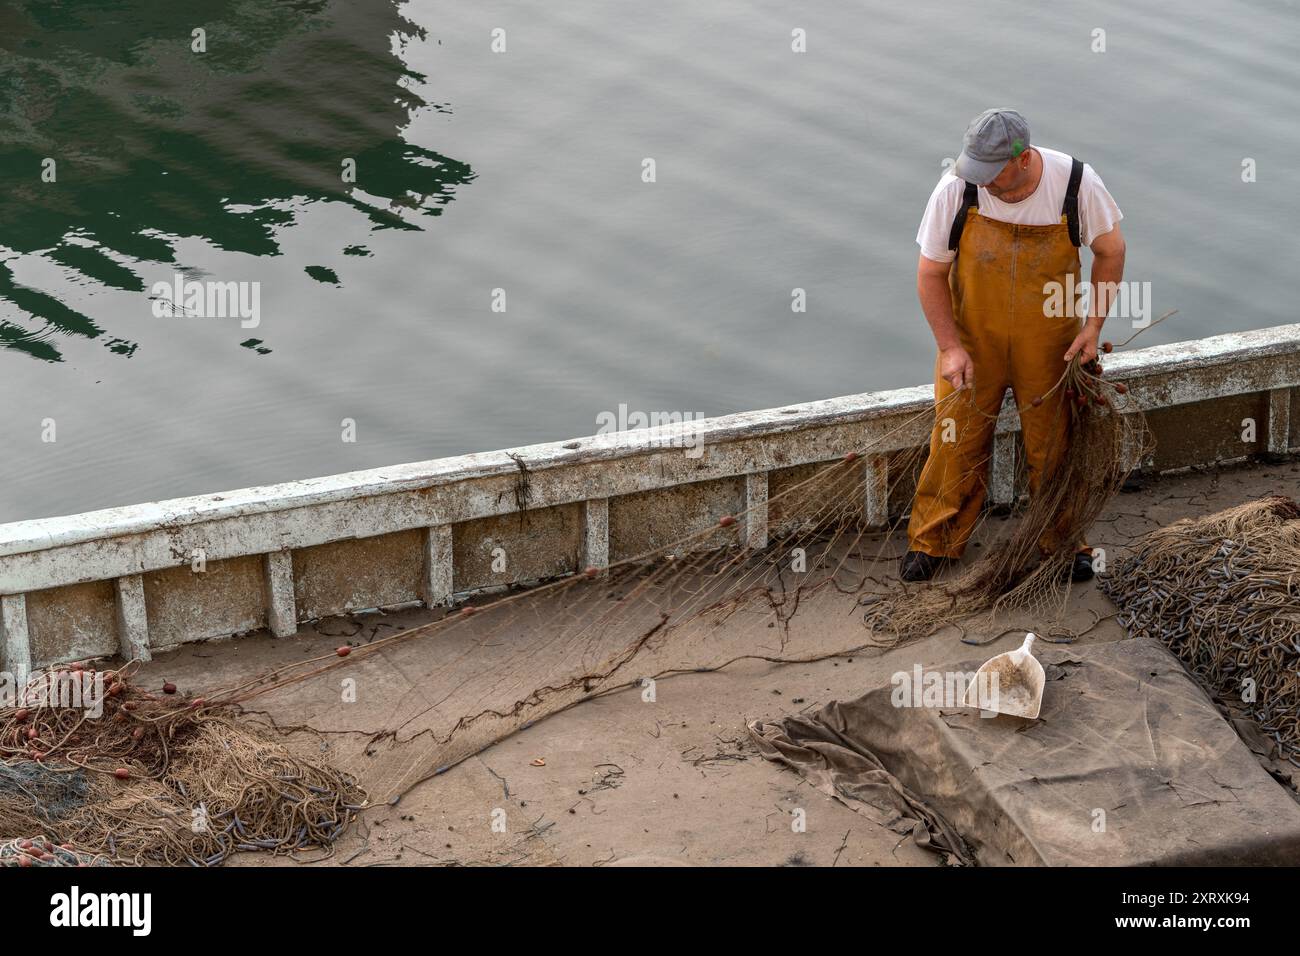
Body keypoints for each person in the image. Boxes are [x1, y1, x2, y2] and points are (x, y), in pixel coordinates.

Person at [902, 108, 1126, 583]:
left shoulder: (1076, 183)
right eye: (975, 170)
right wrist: (949, 347)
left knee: (1055, 443)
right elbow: (929, 274)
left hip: (1051, 345)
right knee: (954, 439)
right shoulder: (956, 190)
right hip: (972, 343)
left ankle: (1062, 543)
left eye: (993, 173)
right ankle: (934, 542)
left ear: (1023, 159)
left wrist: (1092, 327)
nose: (983, 183)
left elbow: (1111, 251)